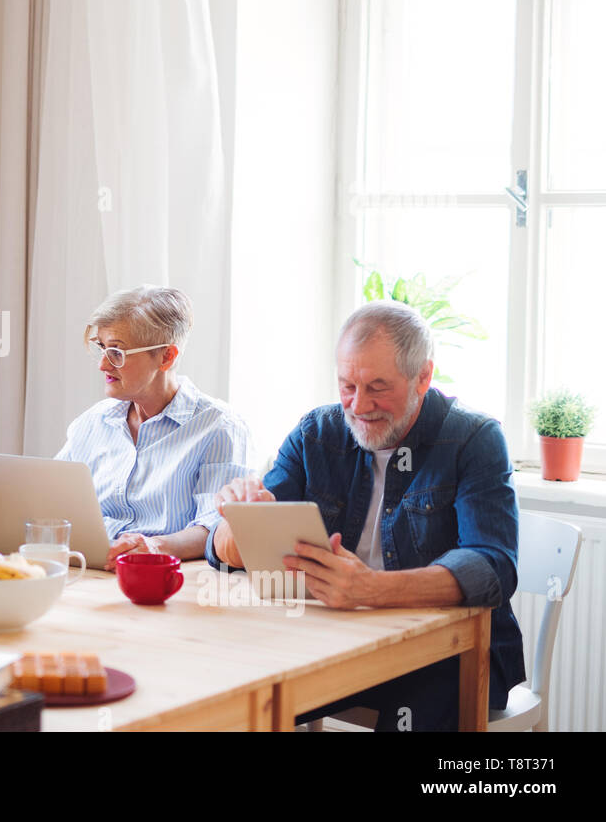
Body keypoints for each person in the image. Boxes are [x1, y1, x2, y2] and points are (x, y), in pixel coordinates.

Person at [206, 300, 524, 731]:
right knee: (226, 694)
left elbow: (493, 566)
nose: (359, 405)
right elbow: (221, 552)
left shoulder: (473, 438)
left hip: (449, 655)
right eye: (347, 386)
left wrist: (371, 589)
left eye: (378, 387)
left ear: (423, 377)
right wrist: (236, 522)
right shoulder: (316, 434)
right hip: (334, 644)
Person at [55, 286, 252, 570]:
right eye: (101, 348)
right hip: (91, 574)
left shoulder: (220, 428)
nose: (102, 365)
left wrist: (156, 547)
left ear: (166, 357)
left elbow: (216, 528)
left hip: (168, 583)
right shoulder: (91, 423)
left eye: (116, 352)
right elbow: (52, 505)